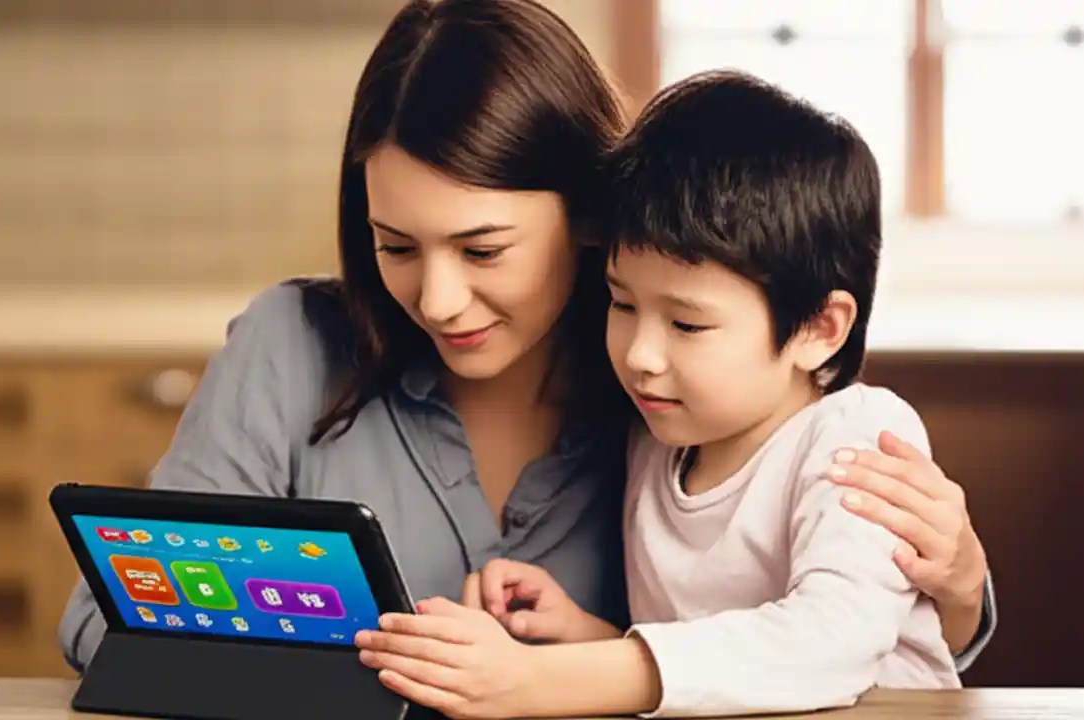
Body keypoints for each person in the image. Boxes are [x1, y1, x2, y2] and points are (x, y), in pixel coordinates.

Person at [57, 0, 995, 680]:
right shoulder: (291, 347)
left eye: (483, 248)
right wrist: (392, 674)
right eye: (396, 246)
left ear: (590, 216)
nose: (439, 297)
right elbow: (110, 621)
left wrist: (957, 591)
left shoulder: (670, 387)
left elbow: (835, 640)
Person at [353, 70, 971, 718]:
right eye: (622, 303)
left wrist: (542, 679)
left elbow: (829, 645)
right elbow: (715, 677)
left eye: (686, 324)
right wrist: (581, 637)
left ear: (820, 329)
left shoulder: (855, 438)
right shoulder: (661, 442)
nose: (640, 356)